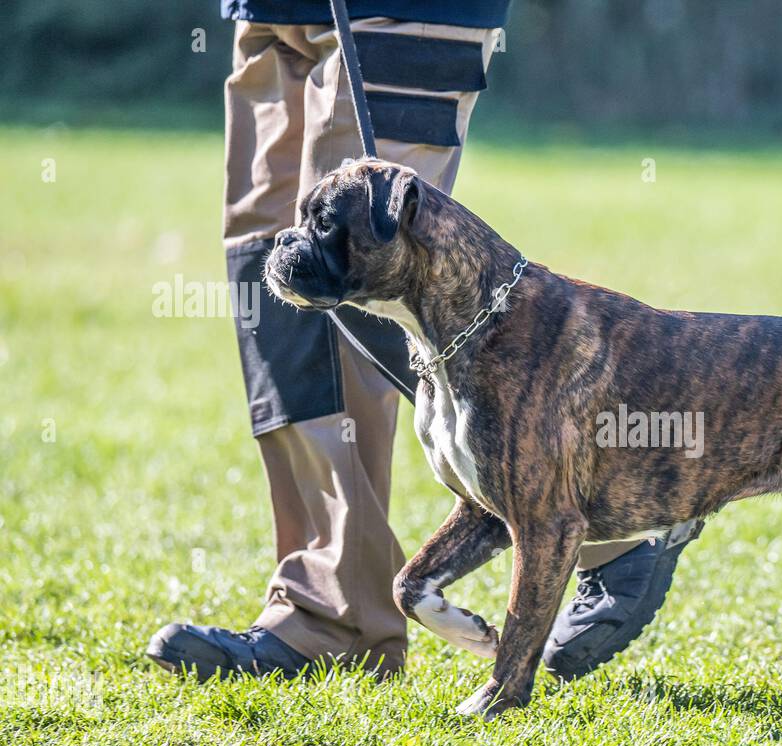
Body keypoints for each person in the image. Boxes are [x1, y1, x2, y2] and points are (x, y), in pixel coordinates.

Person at [147, 0, 699, 682]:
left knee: (387, 277)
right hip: (269, 10)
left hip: (400, 10)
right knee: (275, 280)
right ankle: (330, 602)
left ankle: (600, 526)